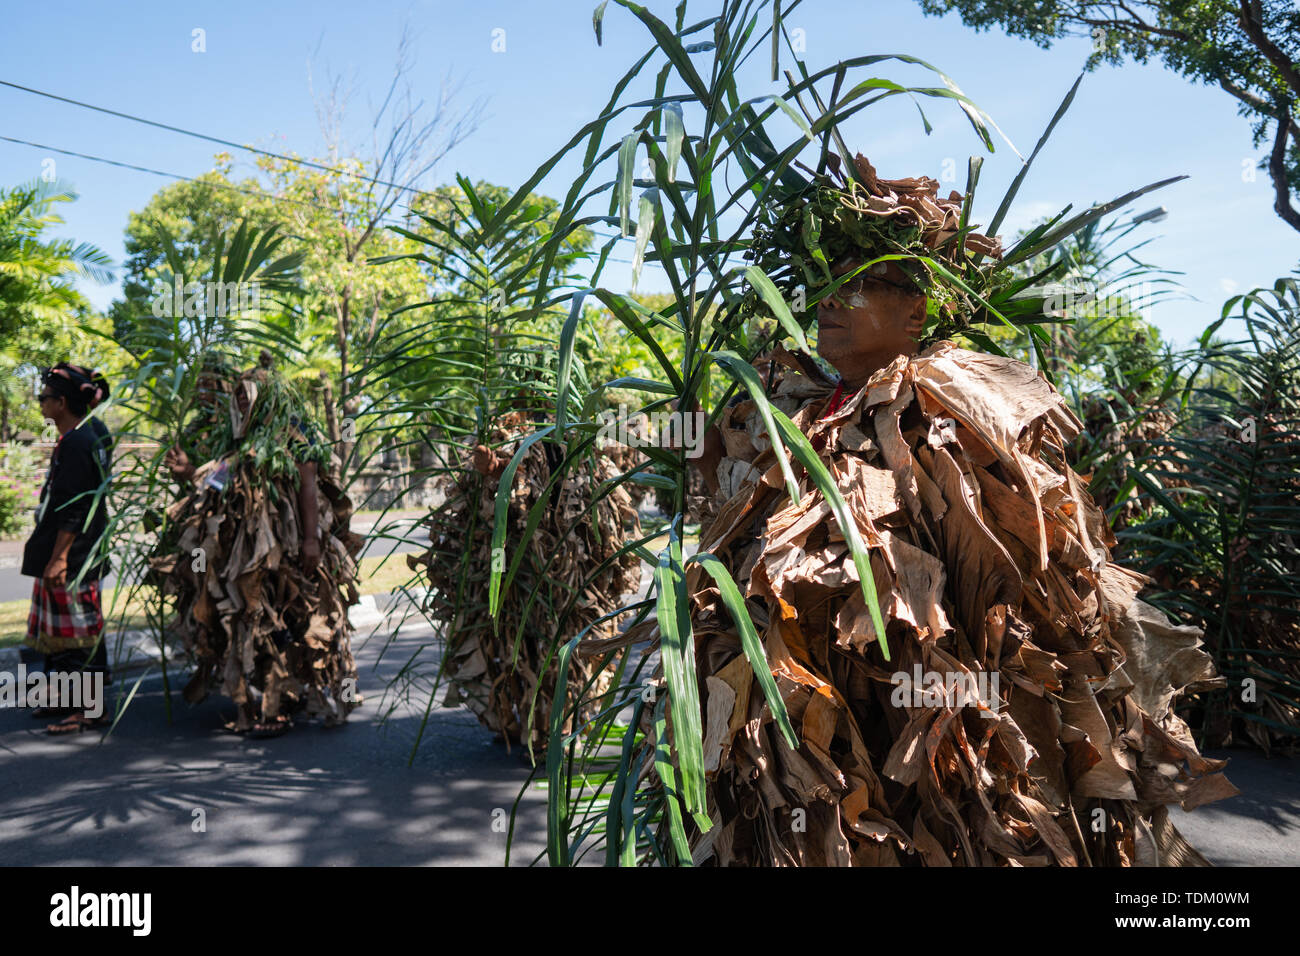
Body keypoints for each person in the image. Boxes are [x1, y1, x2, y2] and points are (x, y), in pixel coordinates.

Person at [683, 155, 1235, 866]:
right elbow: (718, 510)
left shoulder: (968, 399)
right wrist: (698, 453)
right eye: (823, 287)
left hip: (937, 705)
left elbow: (1034, 561)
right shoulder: (774, 404)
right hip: (803, 701)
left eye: (859, 287)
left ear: (916, 311)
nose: (828, 303)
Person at [151, 351, 361, 737]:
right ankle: (273, 697)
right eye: (238, 395)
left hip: (286, 549)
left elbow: (309, 484)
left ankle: (280, 701)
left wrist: (312, 542)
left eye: (248, 394)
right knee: (255, 621)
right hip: (243, 554)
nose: (241, 400)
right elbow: (213, 488)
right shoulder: (241, 440)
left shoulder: (293, 431)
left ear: (270, 397)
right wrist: (186, 474)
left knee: (281, 616)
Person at [22, 363, 113, 734]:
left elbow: (75, 507)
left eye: (44, 397)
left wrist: (59, 557)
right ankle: (64, 698)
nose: (40, 403)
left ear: (62, 403)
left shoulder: (78, 441)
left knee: (78, 633)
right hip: (80, 551)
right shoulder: (94, 432)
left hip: (74, 555)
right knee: (63, 633)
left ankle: (90, 709)